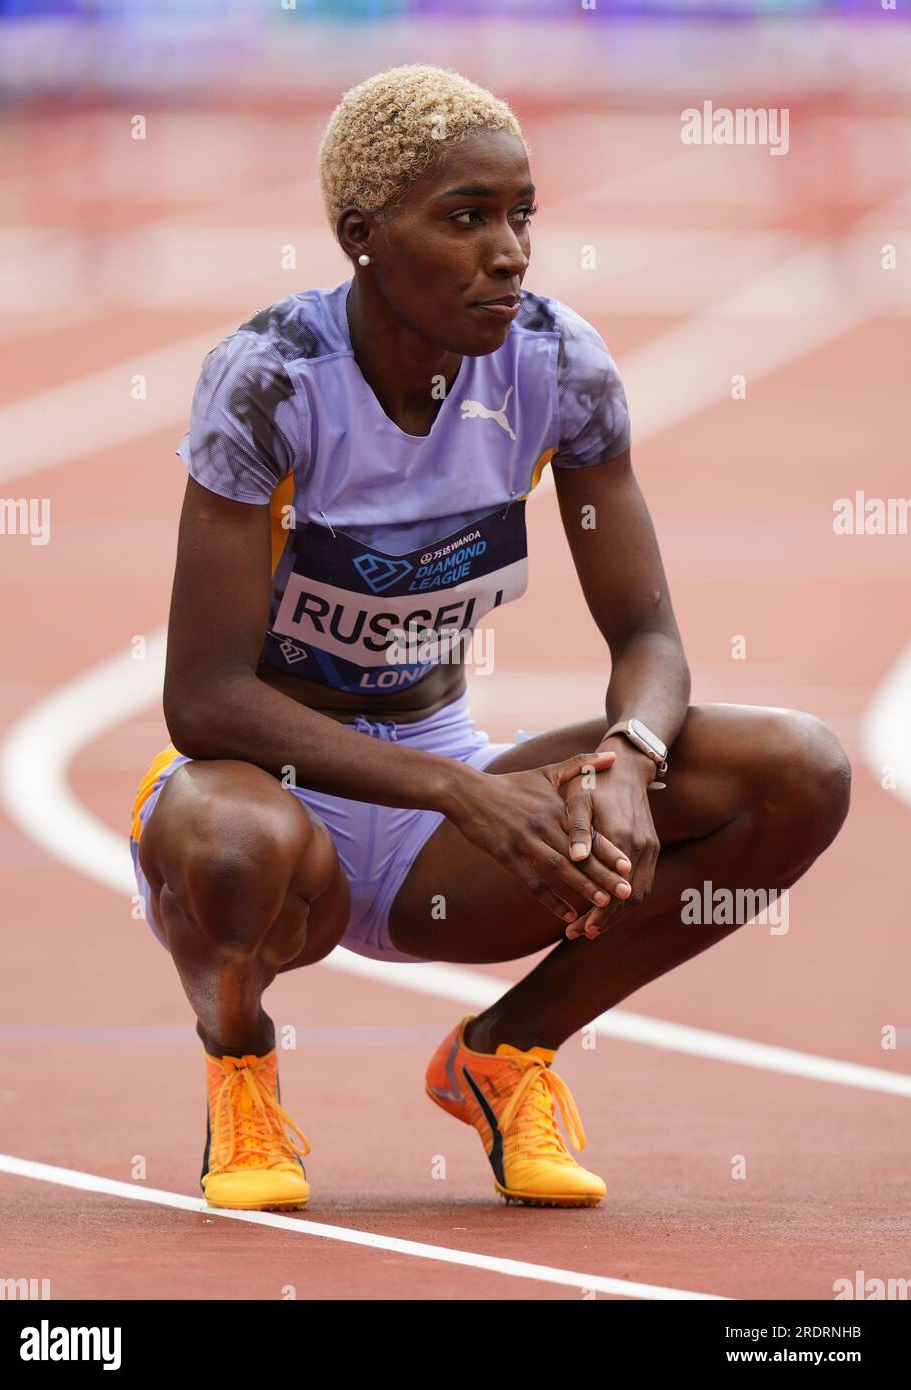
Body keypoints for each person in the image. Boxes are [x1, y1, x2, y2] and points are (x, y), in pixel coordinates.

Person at [128, 65, 851, 1212]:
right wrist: (456, 793)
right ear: (363, 236)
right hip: (265, 795)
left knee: (794, 768)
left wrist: (631, 757)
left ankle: (501, 1055)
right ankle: (241, 1069)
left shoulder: (554, 363)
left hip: (440, 821)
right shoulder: (269, 380)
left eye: (520, 215)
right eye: (464, 218)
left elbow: (649, 634)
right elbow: (205, 699)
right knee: (230, 848)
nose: (508, 251)